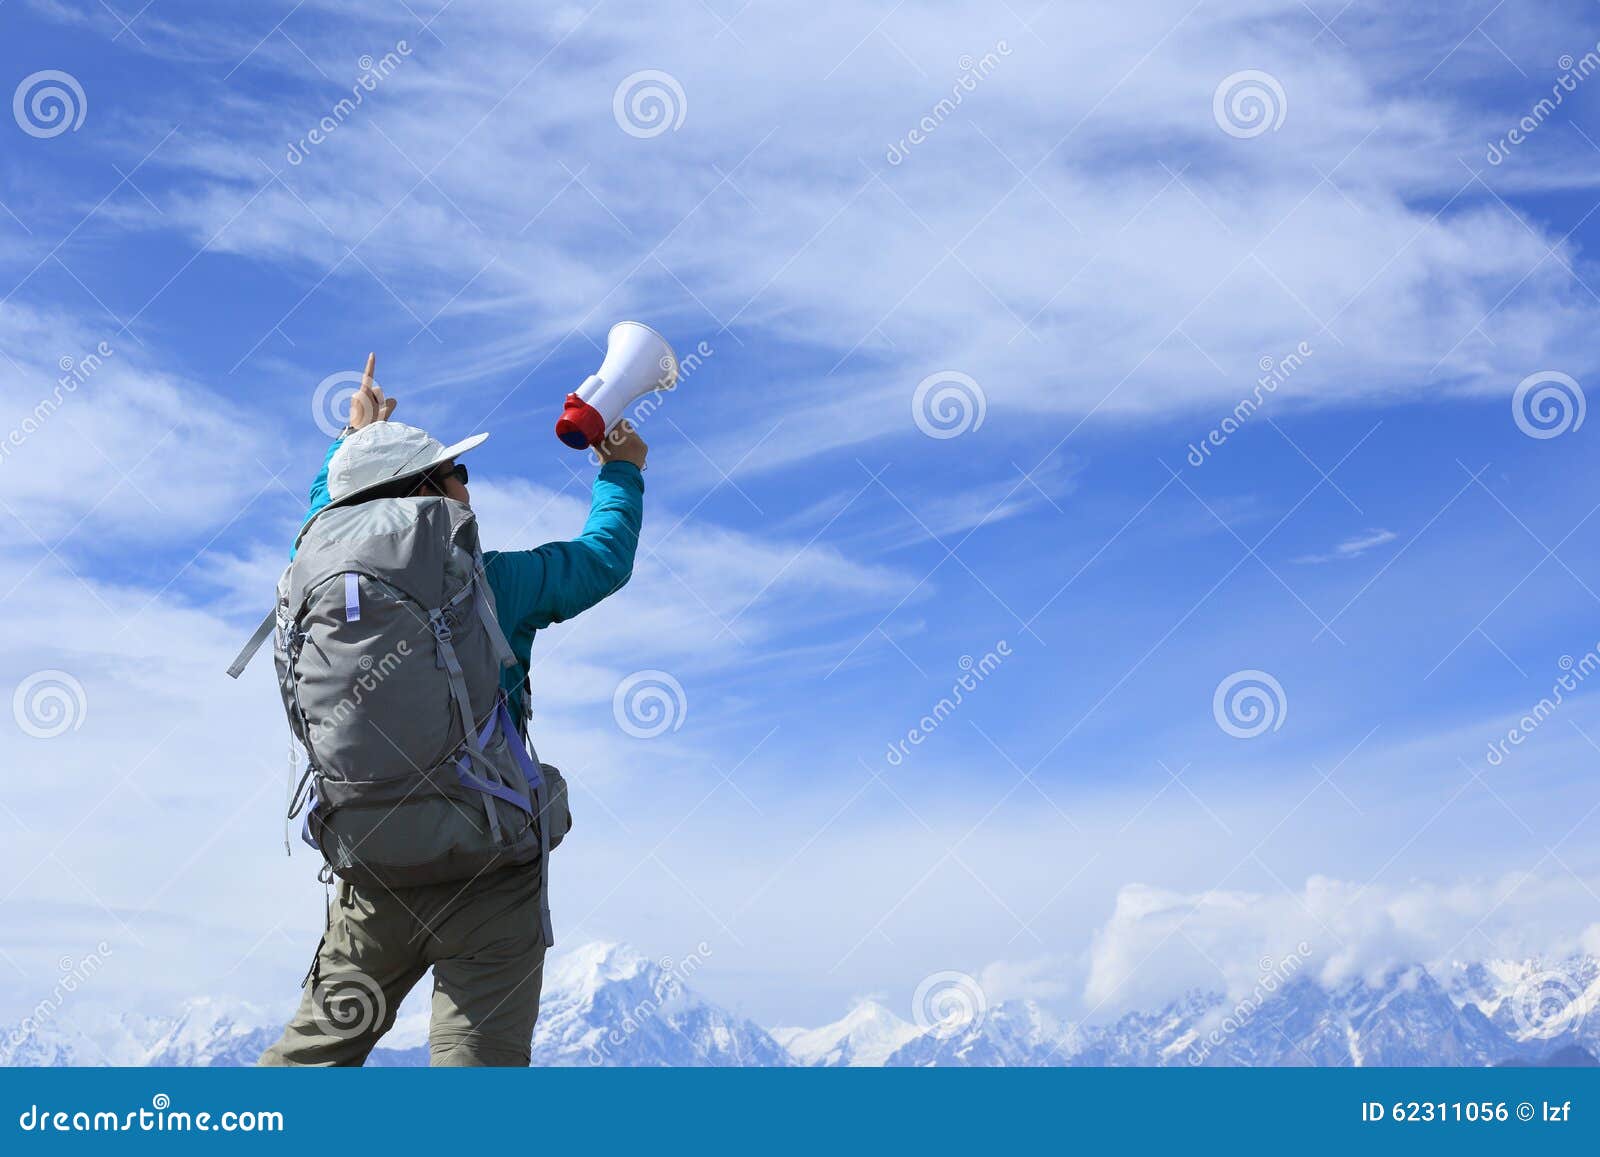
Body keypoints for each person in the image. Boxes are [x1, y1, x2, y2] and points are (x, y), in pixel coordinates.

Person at [259, 354, 646, 1067]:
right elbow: (602, 560)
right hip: (487, 867)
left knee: (308, 1063)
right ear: (428, 492)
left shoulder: (311, 573)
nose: (467, 485)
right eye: (456, 472)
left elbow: (324, 515)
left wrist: (352, 442)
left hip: (372, 870)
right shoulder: (494, 582)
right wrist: (621, 471)